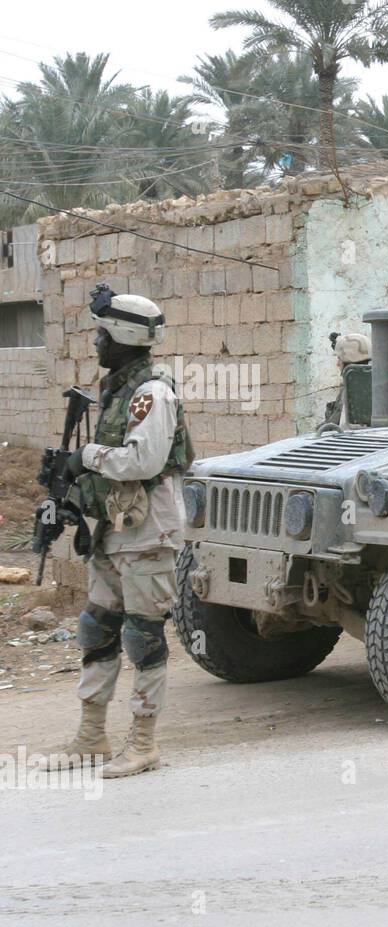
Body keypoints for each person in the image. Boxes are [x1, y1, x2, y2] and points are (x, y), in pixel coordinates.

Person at [37, 284, 193, 777]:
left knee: (143, 637)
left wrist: (87, 458)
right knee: (96, 628)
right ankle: (90, 737)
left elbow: (142, 459)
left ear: (123, 336)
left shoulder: (153, 392)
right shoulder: (121, 387)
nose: (96, 343)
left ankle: (144, 742)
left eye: (102, 334)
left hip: (149, 532)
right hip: (115, 528)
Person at [323, 331, 371, 427]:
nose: (337, 364)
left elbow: (334, 426)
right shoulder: (377, 382)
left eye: (339, 359)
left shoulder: (353, 389)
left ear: (350, 359)